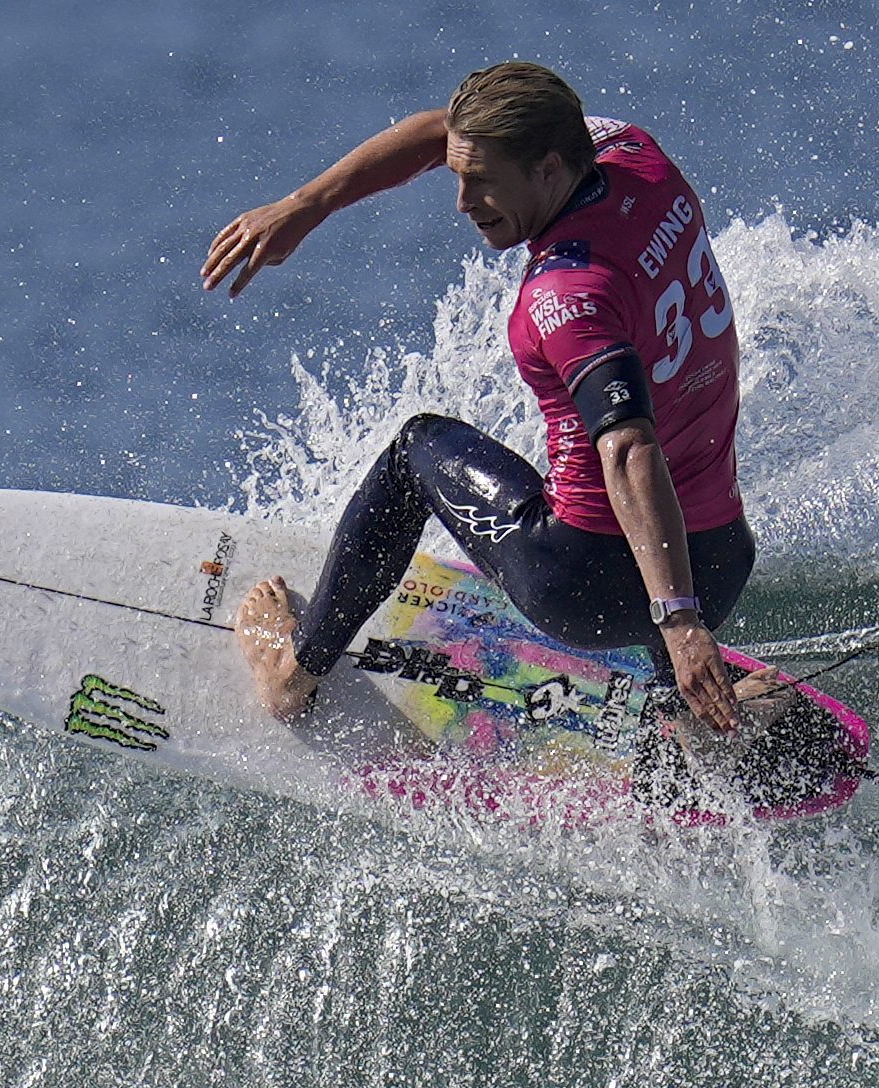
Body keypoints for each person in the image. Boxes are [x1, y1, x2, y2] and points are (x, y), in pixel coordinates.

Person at [203, 60, 751, 737]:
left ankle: (294, 674)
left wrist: (679, 620)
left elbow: (631, 448)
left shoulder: (567, 292)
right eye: (459, 174)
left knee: (417, 450)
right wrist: (305, 206)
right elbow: (446, 132)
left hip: (591, 583)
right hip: (722, 559)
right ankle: (680, 706)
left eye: (481, 182)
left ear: (548, 167)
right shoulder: (633, 154)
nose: (462, 200)